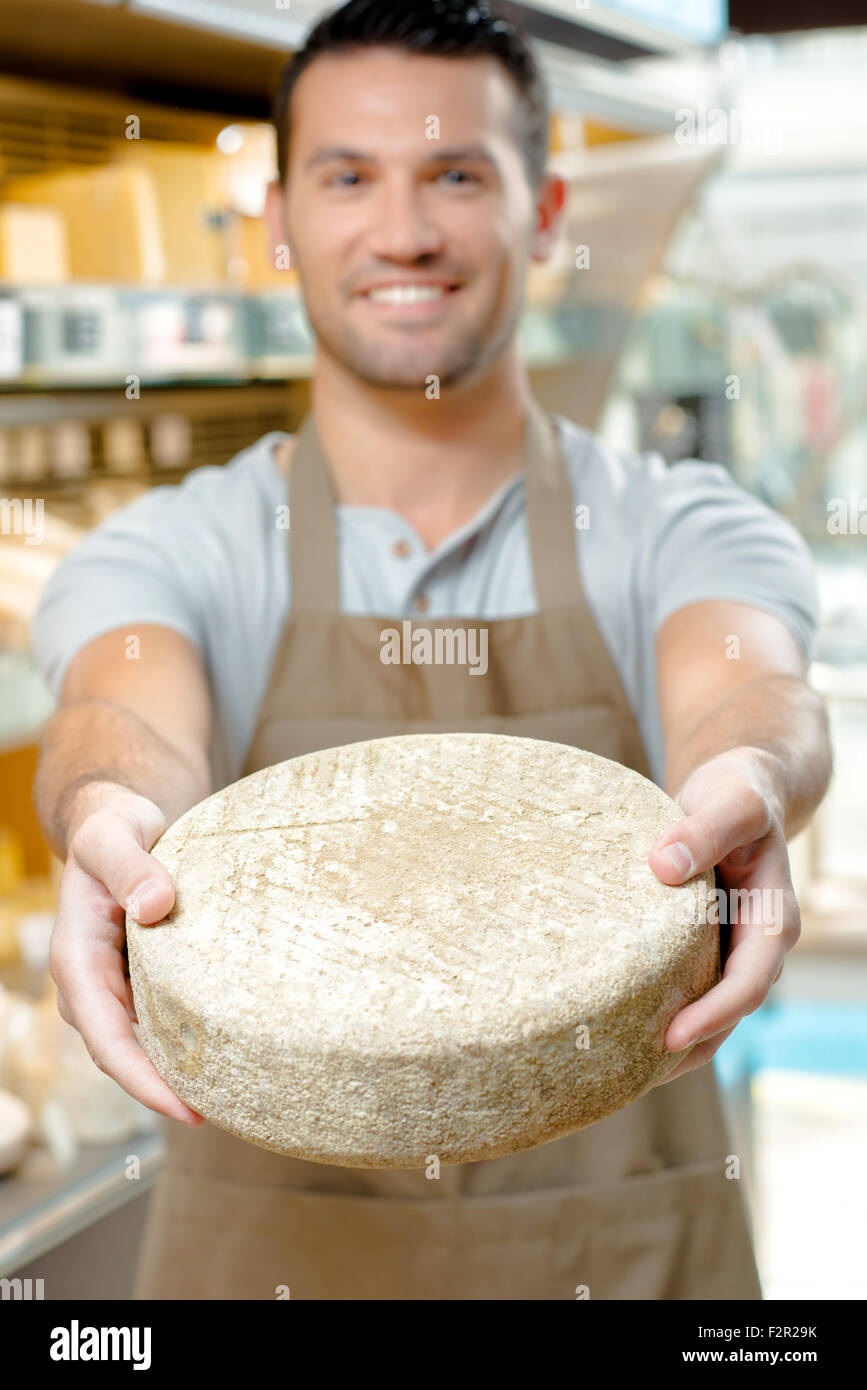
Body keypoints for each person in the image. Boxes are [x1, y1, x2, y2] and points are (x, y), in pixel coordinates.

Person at [32, 0, 831, 1300]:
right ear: (281, 217)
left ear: (547, 208)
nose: (403, 231)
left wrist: (755, 773)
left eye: (456, 174)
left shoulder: (676, 525)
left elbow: (749, 688)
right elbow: (123, 708)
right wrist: (107, 808)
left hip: (619, 1251)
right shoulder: (179, 544)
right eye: (349, 177)